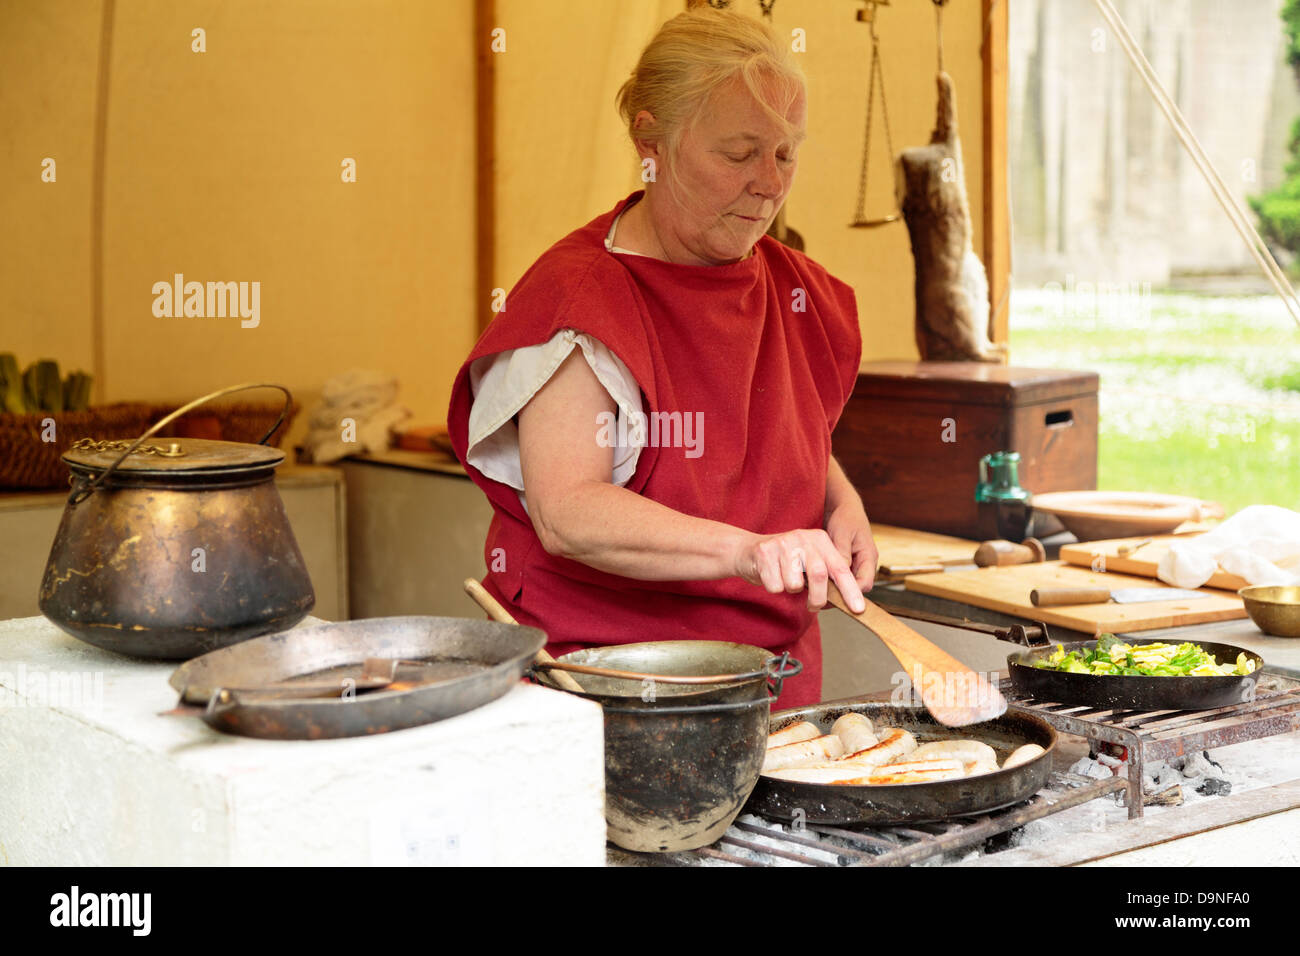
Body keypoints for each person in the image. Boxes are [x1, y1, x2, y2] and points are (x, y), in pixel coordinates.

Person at [448, 7, 876, 707]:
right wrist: (746, 550)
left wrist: (840, 502)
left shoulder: (790, 285)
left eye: (786, 153)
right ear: (652, 139)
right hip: (612, 690)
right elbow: (569, 511)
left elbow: (776, 428)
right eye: (738, 154)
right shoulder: (583, 300)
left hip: (768, 682)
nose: (769, 182)